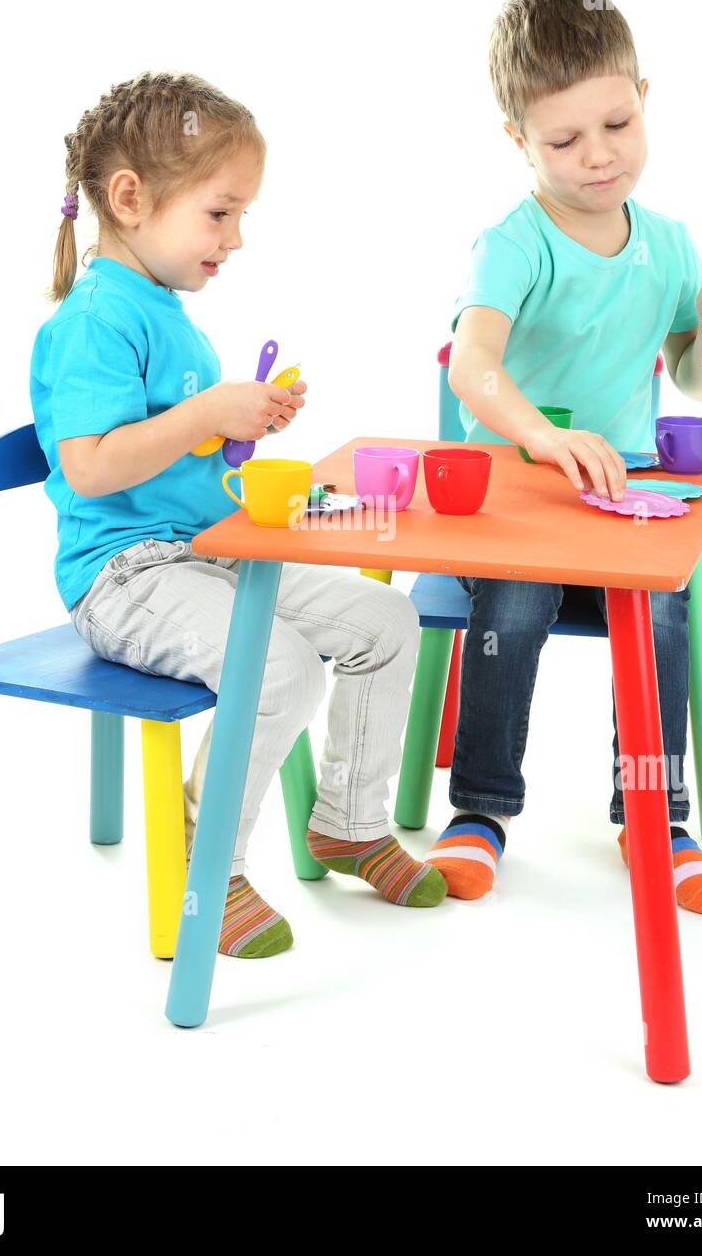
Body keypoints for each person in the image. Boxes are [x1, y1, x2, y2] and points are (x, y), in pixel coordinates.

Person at [30, 72, 446, 959]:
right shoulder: (95, 320)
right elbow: (91, 467)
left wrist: (236, 433)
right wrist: (205, 414)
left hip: (205, 554)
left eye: (241, 215)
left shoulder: (167, 314)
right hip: (125, 577)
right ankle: (204, 869)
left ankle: (347, 822)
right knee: (281, 667)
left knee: (385, 617)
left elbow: (174, 457)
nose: (237, 237)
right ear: (130, 199)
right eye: (221, 213)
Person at [425, 0, 702, 914]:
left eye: (616, 123)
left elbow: (694, 378)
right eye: (564, 141)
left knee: (658, 615)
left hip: (621, 503)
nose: (598, 157)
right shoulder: (512, 244)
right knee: (516, 608)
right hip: (515, 510)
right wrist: (537, 441)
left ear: (644, 98)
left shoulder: (668, 242)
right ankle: (481, 810)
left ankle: (654, 813)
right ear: (518, 141)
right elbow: (472, 368)